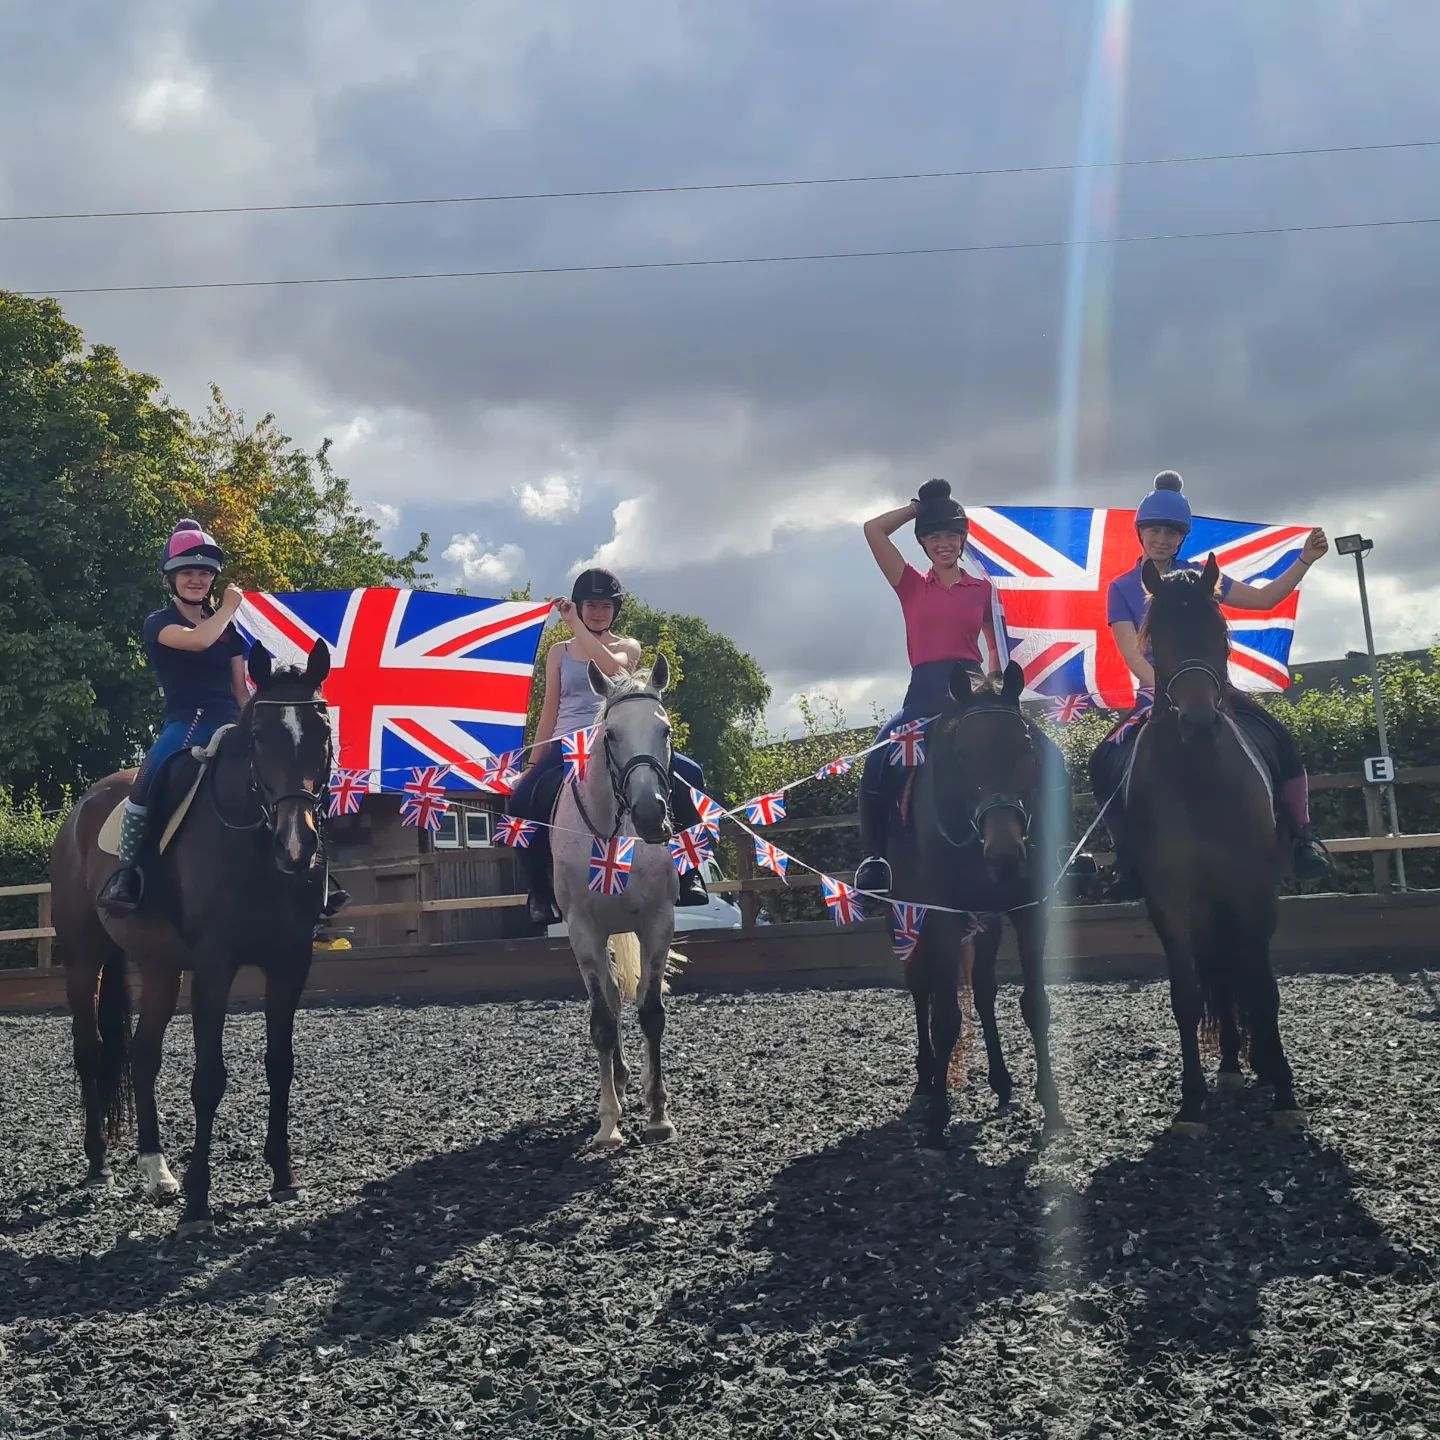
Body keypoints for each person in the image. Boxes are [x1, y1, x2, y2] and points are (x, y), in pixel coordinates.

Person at [1091, 471, 1333, 900]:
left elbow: (1264, 600)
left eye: (1170, 532)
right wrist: (1167, 691)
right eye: (1154, 530)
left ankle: (1302, 837)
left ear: (1181, 538)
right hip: (1157, 692)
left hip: (1214, 689)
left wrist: (1304, 560)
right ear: (1141, 533)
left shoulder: (1205, 577)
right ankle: (1127, 857)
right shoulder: (1122, 588)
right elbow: (1131, 652)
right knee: (1103, 758)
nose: (1161, 539)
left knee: (1280, 737)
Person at [98, 520, 349, 921]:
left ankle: (315, 879)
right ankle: (126, 873)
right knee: (147, 781)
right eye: (187, 573)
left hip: (232, 718)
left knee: (294, 775)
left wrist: (257, 719)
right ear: (171, 579)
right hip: (186, 722)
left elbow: (239, 687)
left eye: (204, 573)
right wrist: (230, 606)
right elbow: (198, 641)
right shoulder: (159, 623)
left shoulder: (228, 628)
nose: (197, 580)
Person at [855, 480, 1070, 894]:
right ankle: (875, 858)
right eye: (935, 537)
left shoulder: (983, 589)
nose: (944, 543)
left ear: (962, 540)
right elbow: (872, 530)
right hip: (924, 691)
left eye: (951, 536)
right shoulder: (910, 584)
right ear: (924, 544)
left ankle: (1061, 847)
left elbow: (997, 647)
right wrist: (919, 510)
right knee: (879, 758)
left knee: (1048, 751)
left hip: (974, 691)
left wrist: (1000, 692)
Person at [505, 567, 710, 926]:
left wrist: (575, 626)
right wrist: (534, 763)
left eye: (604, 606)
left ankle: (690, 870)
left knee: (691, 774)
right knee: (521, 799)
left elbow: (613, 670)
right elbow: (550, 709)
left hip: (618, 739)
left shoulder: (627, 647)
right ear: (580, 606)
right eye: (590, 605)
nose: (597, 612)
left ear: (615, 610)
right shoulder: (559, 652)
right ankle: (539, 889)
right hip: (570, 744)